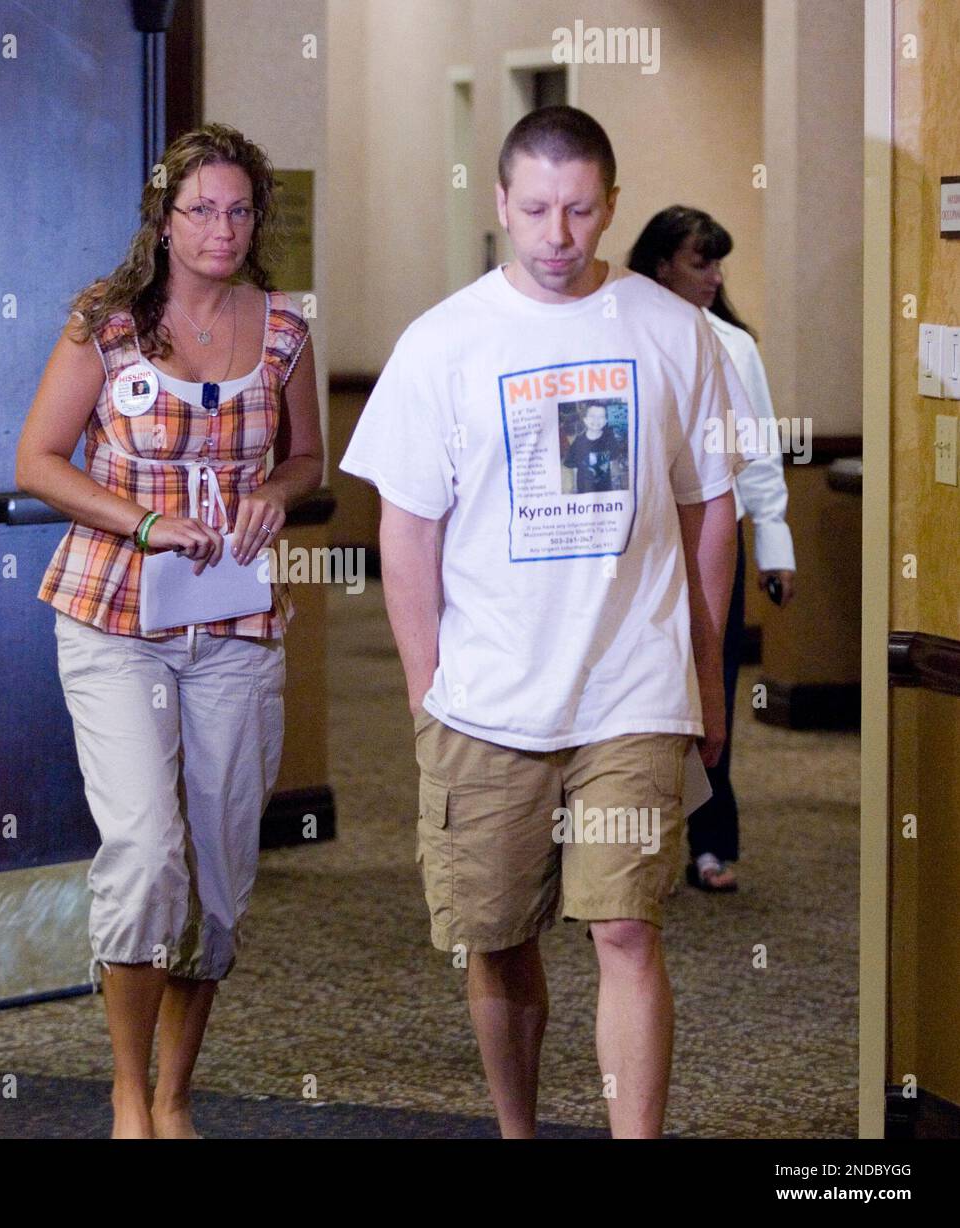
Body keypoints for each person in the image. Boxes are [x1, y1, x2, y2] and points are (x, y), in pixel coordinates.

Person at [340, 105, 753, 1139]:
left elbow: (710, 516)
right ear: (499, 205)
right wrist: (426, 684)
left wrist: (708, 678)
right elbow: (406, 533)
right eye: (534, 210)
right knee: (497, 934)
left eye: (578, 211)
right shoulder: (442, 343)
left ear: (610, 204)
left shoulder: (672, 331)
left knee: (623, 924)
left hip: (631, 686)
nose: (557, 236)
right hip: (486, 696)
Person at [15, 123, 323, 1140]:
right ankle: (126, 1093)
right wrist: (143, 520)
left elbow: (307, 459)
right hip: (115, 613)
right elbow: (40, 461)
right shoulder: (103, 324)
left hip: (233, 616)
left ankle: (179, 1093)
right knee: (146, 851)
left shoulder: (283, 326)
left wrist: (275, 492)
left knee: (221, 863)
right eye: (201, 208)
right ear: (163, 216)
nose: (221, 228)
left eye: (238, 209)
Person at [628, 206, 797, 893]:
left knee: (709, 695)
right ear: (662, 262)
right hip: (635, 551)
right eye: (702, 261)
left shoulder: (732, 345)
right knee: (634, 699)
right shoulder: (619, 327)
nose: (715, 276)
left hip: (708, 547)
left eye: (719, 263)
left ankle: (710, 842)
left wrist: (775, 545)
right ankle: (626, 848)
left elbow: (755, 454)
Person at [563, 402, 623, 492]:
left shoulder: (610, 439)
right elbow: (574, 467)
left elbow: (613, 463)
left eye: (601, 417)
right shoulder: (578, 442)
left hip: (605, 489)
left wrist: (614, 486)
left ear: (606, 421)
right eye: (592, 416)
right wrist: (575, 488)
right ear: (585, 420)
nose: (596, 420)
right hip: (584, 490)